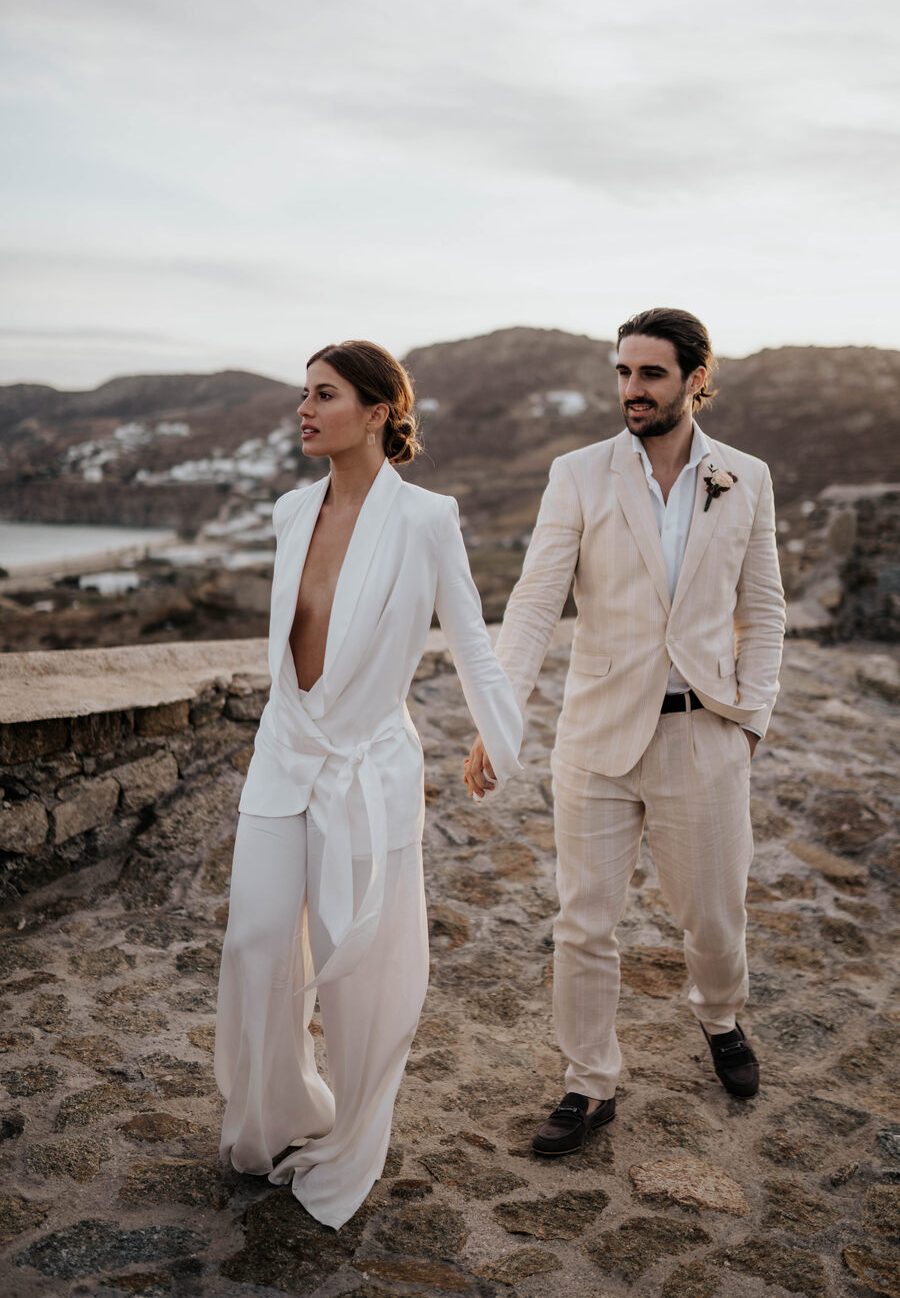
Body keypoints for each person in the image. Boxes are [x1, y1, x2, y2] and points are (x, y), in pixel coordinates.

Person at [215, 339, 522, 1226]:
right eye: (302, 396)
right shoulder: (286, 511)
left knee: (363, 965)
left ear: (381, 409)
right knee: (258, 940)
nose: (304, 410)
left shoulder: (427, 519)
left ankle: (351, 1133)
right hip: (284, 751)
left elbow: (470, 638)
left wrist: (498, 740)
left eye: (324, 395)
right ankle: (273, 1116)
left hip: (366, 764)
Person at [464, 307, 785, 1155]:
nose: (631, 390)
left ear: (695, 381)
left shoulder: (745, 477)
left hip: (703, 733)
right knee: (584, 918)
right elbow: (535, 603)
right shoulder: (578, 473)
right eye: (622, 372)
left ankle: (720, 1019)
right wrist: (500, 719)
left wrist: (752, 716)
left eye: (650, 374)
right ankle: (587, 1081)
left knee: (714, 919)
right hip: (597, 735)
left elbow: (764, 609)